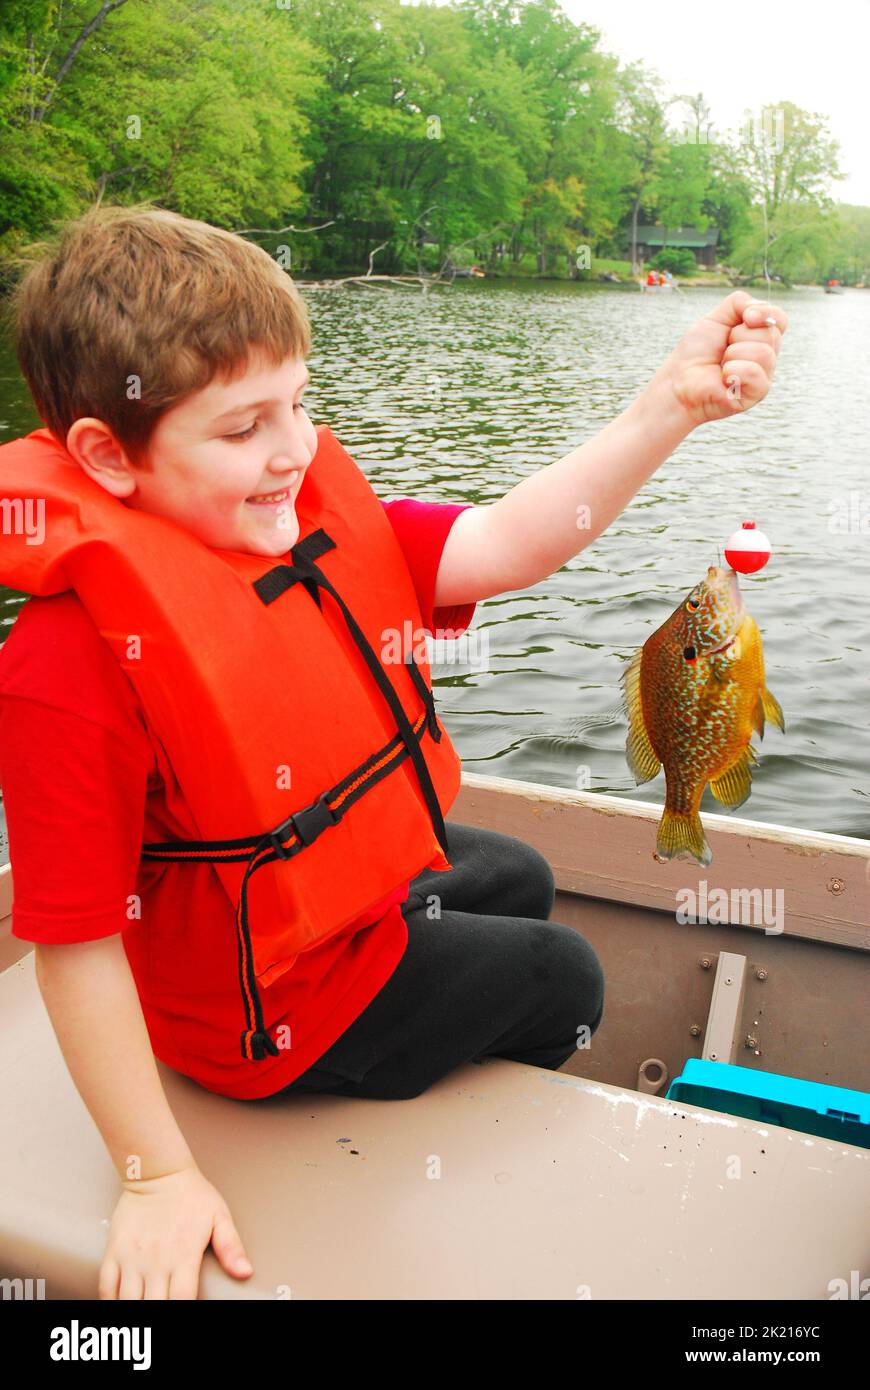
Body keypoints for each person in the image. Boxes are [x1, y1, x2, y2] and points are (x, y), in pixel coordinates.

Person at [0, 203, 786, 1300]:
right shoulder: (68, 663)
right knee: (567, 979)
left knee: (517, 873)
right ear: (105, 453)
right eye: (242, 428)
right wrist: (154, 1175)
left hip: (325, 913)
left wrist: (671, 407)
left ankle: (413, 990)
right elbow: (76, 944)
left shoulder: (298, 529)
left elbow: (510, 541)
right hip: (253, 1017)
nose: (295, 451)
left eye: (299, 404)